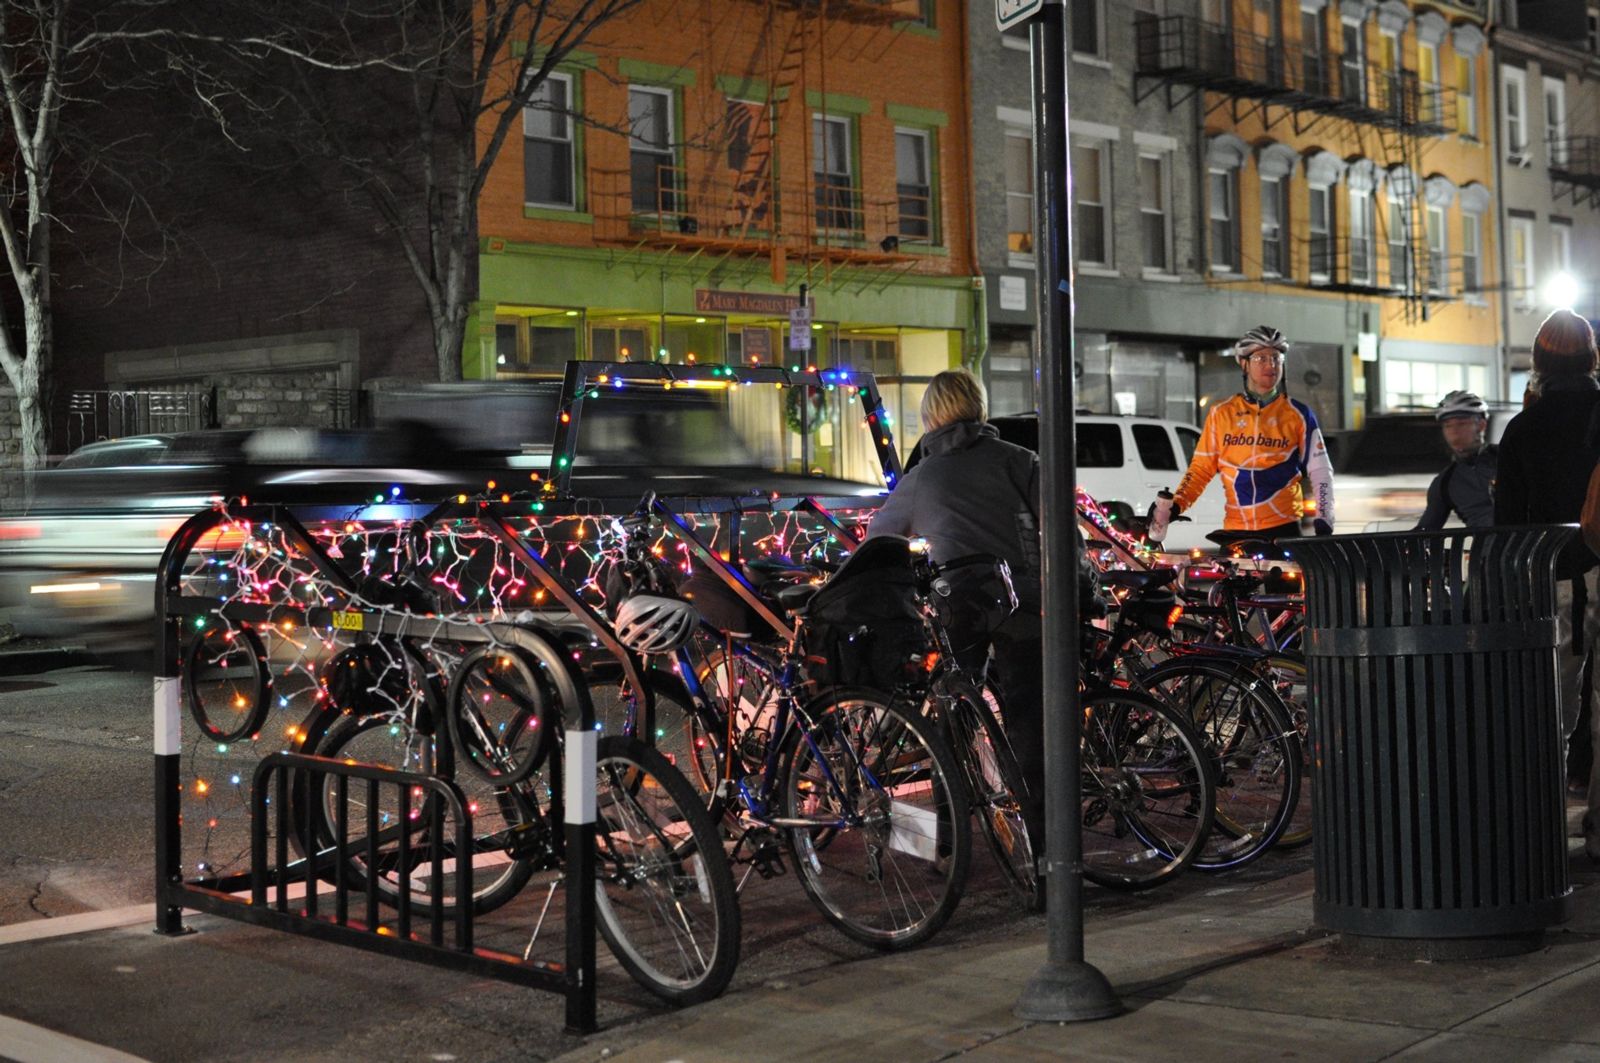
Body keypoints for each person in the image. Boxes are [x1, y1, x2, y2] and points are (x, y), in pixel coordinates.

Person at [867, 368, 1083, 857]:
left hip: (960, 607)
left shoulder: (922, 477)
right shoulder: (1021, 460)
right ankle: (1045, 844)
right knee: (1029, 721)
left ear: (930, 418)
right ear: (979, 408)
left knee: (951, 710)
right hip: (1028, 602)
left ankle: (946, 834)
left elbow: (878, 541)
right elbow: (1061, 529)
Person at [1494, 308, 1600, 862]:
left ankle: (1543, 831)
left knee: (1549, 711)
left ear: (1538, 362)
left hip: (1554, 580)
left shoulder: (1524, 427)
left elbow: (1507, 520)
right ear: (1591, 358)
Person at [1147, 326, 1334, 543]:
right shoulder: (1221, 412)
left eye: (1276, 358)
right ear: (1244, 363)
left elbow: (1320, 471)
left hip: (1284, 529)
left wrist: (1324, 520)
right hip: (1235, 530)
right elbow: (1200, 470)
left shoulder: (1298, 414)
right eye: (1261, 358)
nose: (1270, 365)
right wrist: (1176, 504)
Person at [1415, 390, 1497, 531]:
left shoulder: (1508, 456)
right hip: (1488, 552)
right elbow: (1425, 530)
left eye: (1462, 423)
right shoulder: (1445, 482)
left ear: (1481, 425)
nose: (1454, 431)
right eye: (1448, 425)